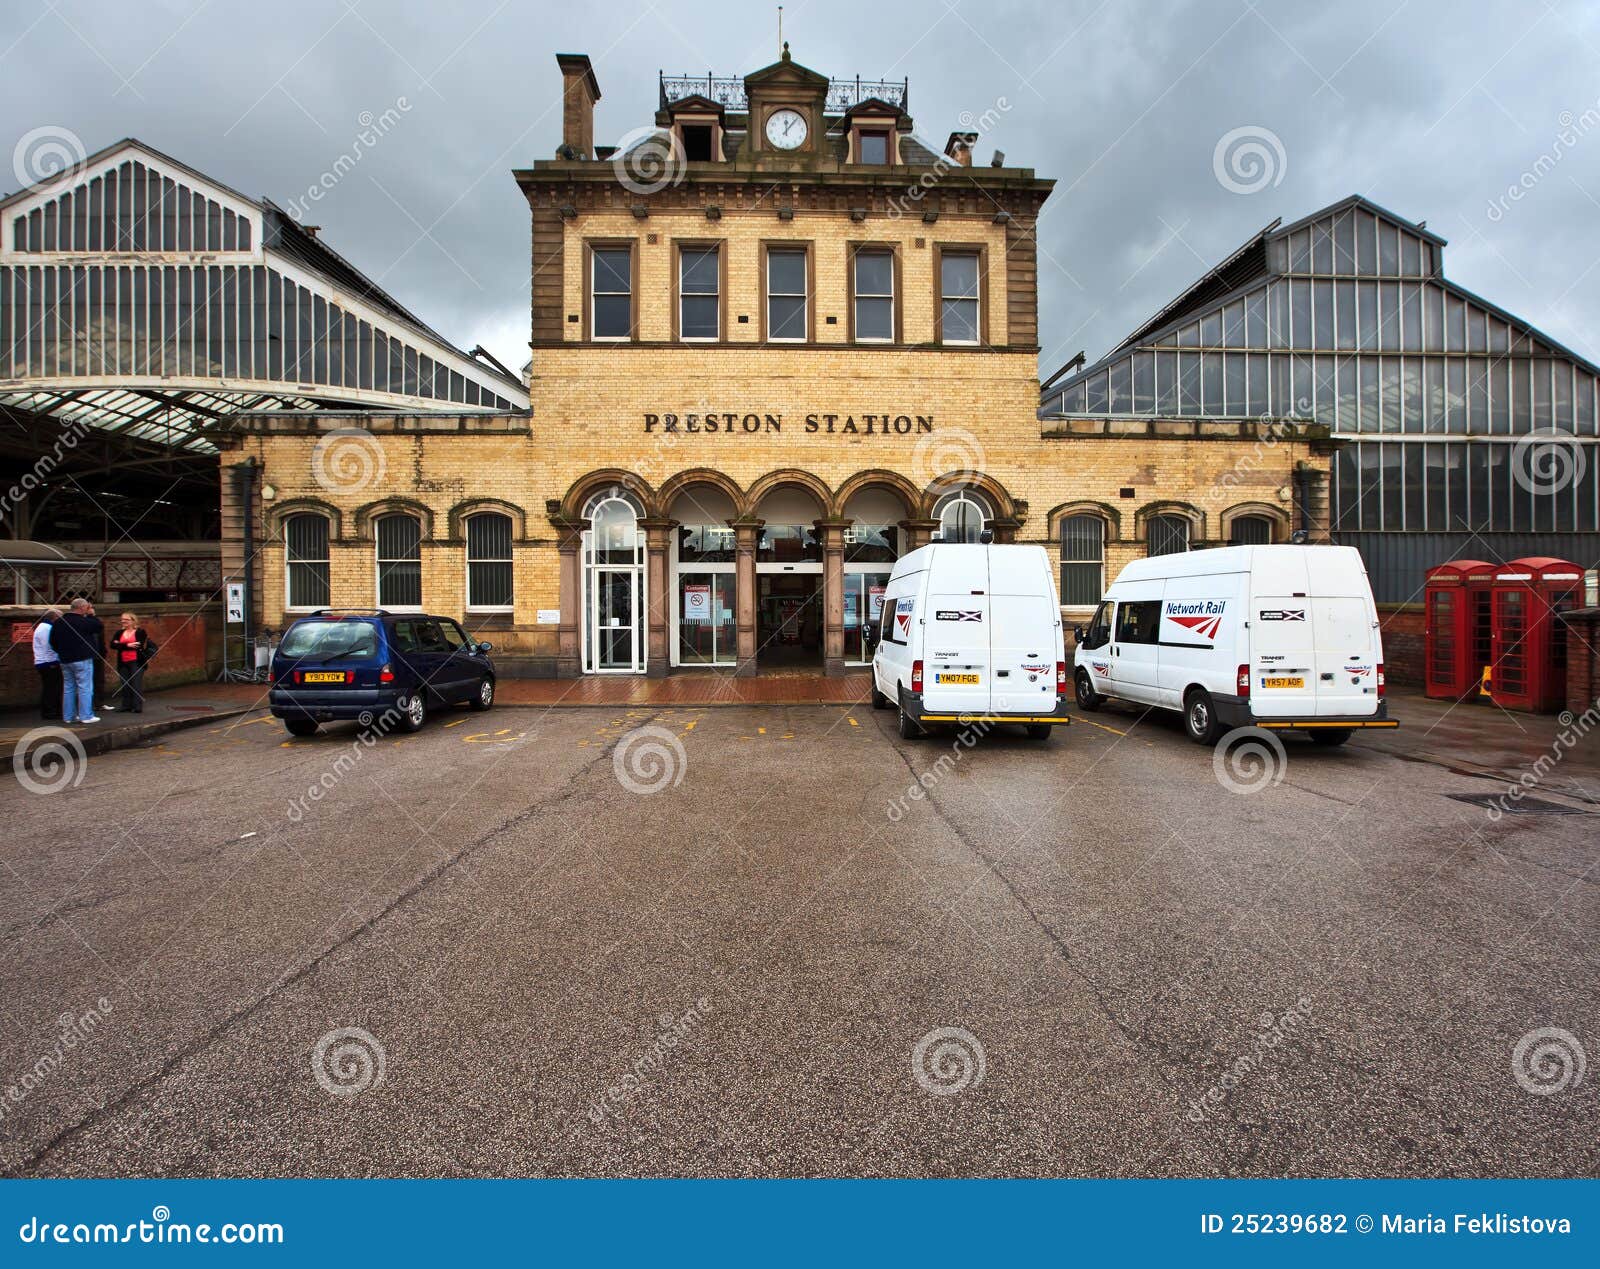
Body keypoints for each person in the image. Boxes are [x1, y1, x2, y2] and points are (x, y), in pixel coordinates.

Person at [49, 597, 105, 725]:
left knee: (69, 688)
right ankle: (86, 715)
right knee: (85, 687)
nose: (88, 609)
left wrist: (62, 652)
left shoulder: (59, 622)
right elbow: (98, 626)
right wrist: (91, 615)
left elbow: (52, 642)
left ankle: (69, 716)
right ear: (82, 608)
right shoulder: (83, 621)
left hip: (65, 659)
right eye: (87, 607)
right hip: (82, 658)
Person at [109, 612, 153, 714]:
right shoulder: (119, 633)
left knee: (136, 684)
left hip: (136, 661)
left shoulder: (140, 632)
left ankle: (137, 706)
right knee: (125, 684)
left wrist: (120, 644)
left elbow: (139, 645)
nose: (123, 621)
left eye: (126, 619)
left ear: (133, 621)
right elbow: (112, 645)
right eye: (122, 619)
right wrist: (128, 645)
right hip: (123, 662)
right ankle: (126, 706)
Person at [32, 607, 63, 721]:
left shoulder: (43, 627)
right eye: (60, 618)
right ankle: (50, 712)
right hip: (48, 662)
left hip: (44, 662)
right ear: (55, 618)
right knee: (52, 688)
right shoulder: (47, 628)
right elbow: (50, 646)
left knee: (49, 687)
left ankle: (50, 711)